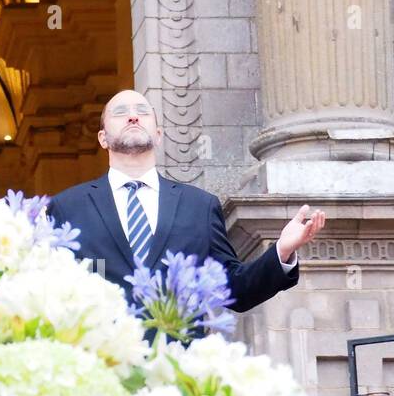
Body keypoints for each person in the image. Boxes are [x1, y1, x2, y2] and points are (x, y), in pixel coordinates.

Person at [47, 89, 327, 311]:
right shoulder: (67, 208)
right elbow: (52, 293)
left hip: (178, 367)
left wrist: (282, 251)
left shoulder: (200, 208)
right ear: (102, 138)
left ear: (158, 135)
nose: (133, 117)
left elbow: (234, 290)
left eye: (143, 112)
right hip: (103, 367)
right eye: (121, 113)